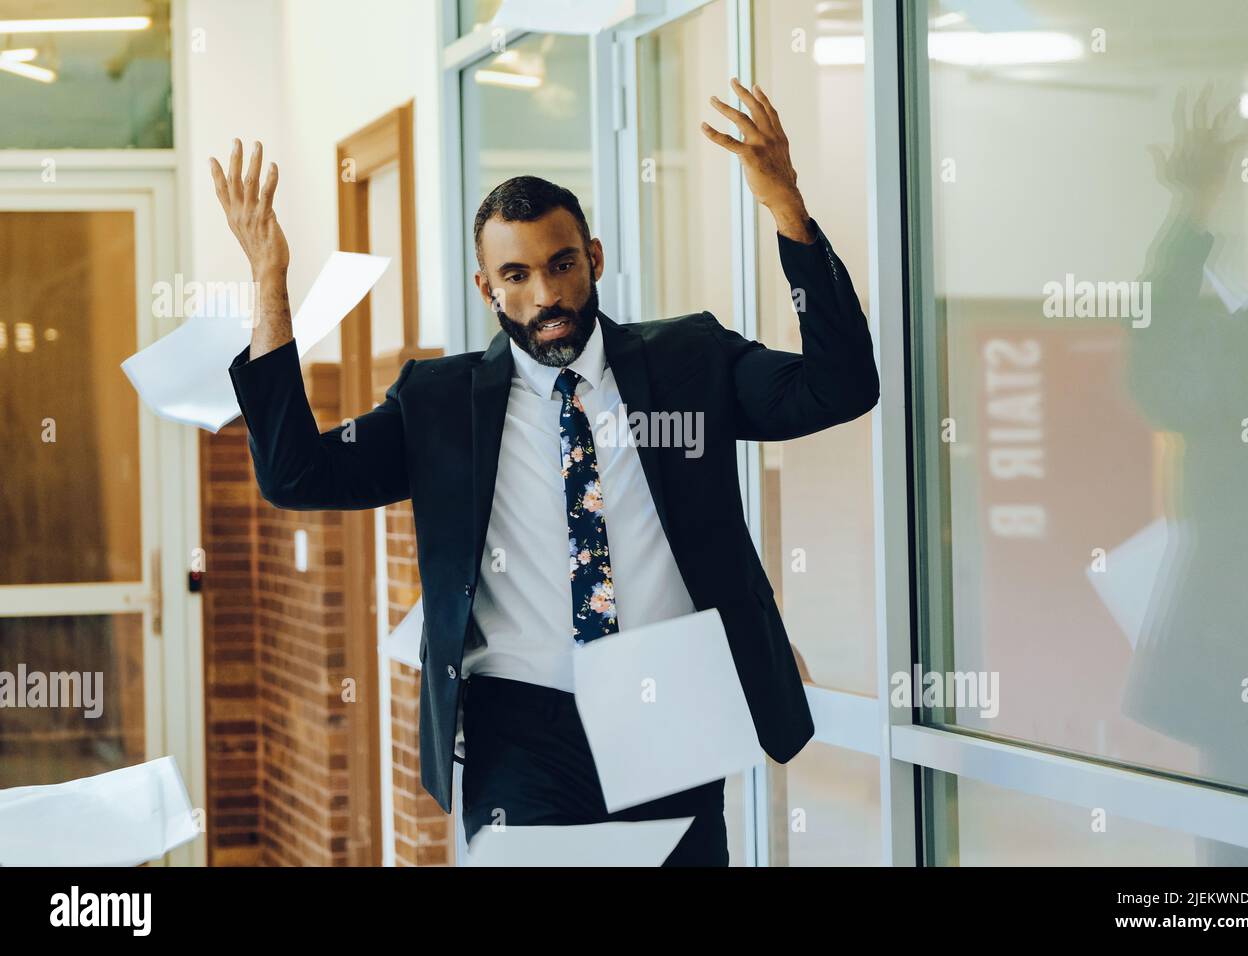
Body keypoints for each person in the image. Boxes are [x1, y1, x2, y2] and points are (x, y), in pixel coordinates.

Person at [211, 78, 879, 866]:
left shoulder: (690, 360)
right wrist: (268, 284)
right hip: (519, 727)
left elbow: (841, 388)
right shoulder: (439, 403)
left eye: (562, 264)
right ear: (487, 288)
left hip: (670, 701)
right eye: (518, 276)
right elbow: (297, 474)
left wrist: (786, 210)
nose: (547, 294)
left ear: (593, 259)